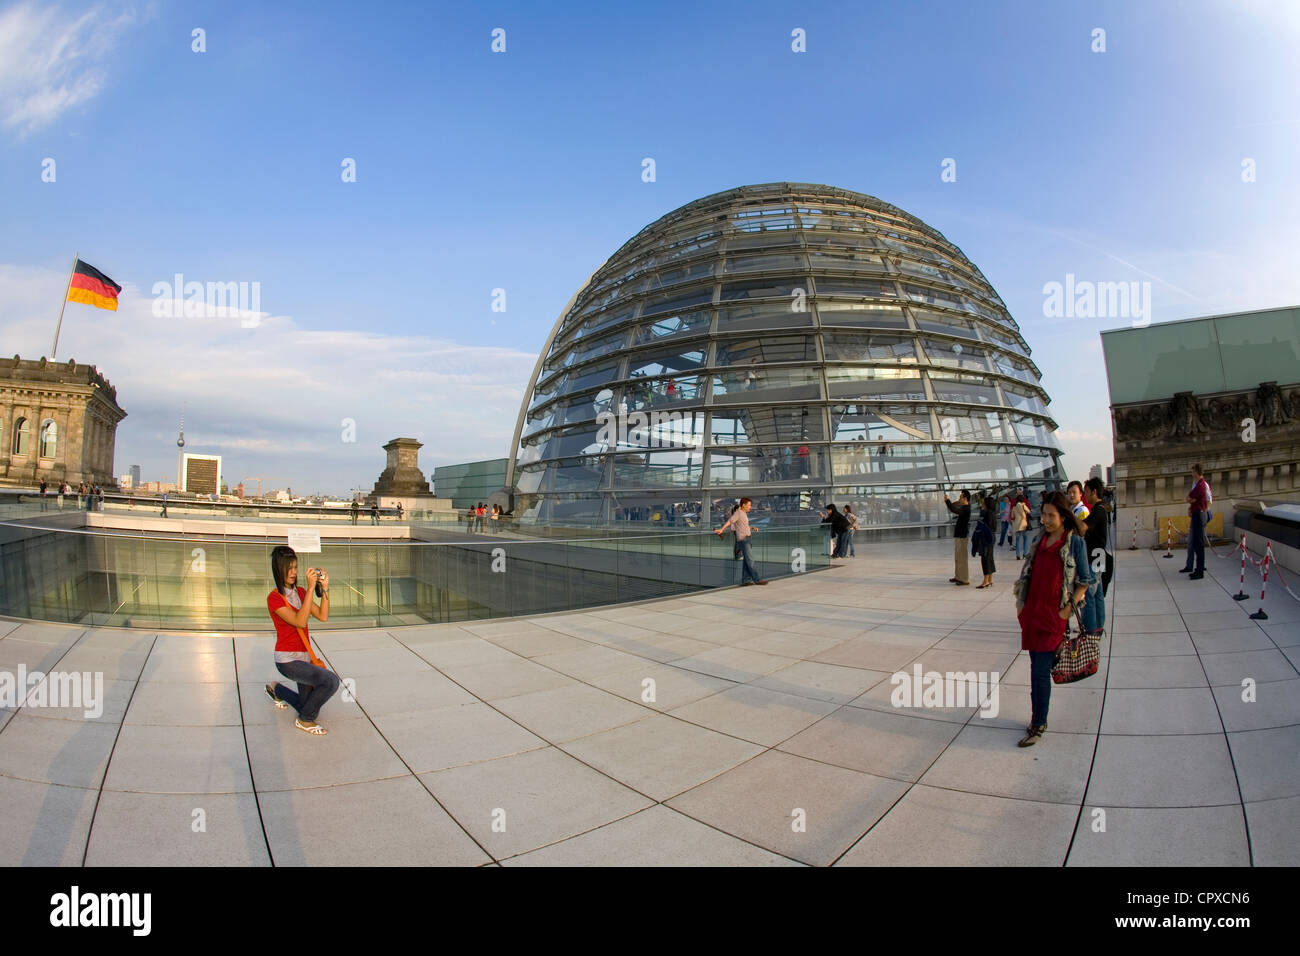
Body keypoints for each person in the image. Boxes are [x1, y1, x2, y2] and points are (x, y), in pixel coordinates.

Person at [1012, 491, 1095, 747]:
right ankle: (1037, 717)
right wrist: (1021, 606)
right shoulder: (1040, 540)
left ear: (1062, 516)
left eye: (1051, 515)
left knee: (1040, 672)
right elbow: (1029, 573)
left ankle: (1039, 723)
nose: (1045, 519)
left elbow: (1085, 580)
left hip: (1053, 615)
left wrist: (1066, 611)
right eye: (1043, 514)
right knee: (1034, 669)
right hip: (1032, 613)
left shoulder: (1074, 542)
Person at [264, 545, 338, 735]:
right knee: (330, 682)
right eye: (288, 568)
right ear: (278, 570)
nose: (293, 572)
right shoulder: (274, 598)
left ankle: (276, 689)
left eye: (295, 567)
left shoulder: (302, 592)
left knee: (307, 703)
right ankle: (305, 721)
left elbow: (322, 615)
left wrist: (325, 588)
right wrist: (312, 587)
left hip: (304, 657)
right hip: (287, 660)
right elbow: (300, 620)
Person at [1080, 477, 1110, 637]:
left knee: (1089, 595)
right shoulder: (1101, 509)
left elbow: (1084, 527)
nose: (1085, 495)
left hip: (1094, 556)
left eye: (1086, 492)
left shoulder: (1098, 510)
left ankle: (1091, 630)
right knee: (1097, 593)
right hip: (1099, 555)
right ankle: (1098, 626)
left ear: (1094, 492)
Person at [715, 497, 768, 585]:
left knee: (746, 561)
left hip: (748, 538)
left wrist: (752, 528)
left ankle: (746, 580)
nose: (750, 507)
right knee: (750, 560)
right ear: (743, 505)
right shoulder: (739, 512)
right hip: (743, 540)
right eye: (749, 505)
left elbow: (743, 525)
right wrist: (722, 529)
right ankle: (757, 579)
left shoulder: (744, 513)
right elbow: (730, 520)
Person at [1180, 463, 1211, 580]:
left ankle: (1199, 570)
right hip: (1196, 514)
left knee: (1199, 544)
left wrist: (1192, 501)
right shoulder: (1197, 484)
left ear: (1197, 472)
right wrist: (1191, 503)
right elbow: (1189, 498)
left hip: (1199, 514)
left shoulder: (1202, 485)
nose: (1192, 474)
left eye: (1193, 472)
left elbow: (1191, 498)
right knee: (1194, 543)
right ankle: (1193, 567)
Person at [944, 489, 972, 585]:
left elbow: (954, 510)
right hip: (959, 535)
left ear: (965, 498)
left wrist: (947, 501)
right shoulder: (963, 506)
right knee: (958, 557)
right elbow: (955, 506)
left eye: (961, 497)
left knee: (962, 558)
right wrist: (953, 502)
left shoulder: (966, 508)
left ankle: (964, 579)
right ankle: (958, 576)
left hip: (962, 536)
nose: (959, 498)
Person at [974, 494, 997, 588]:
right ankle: (990, 579)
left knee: (985, 558)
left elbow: (983, 524)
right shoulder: (993, 512)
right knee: (990, 557)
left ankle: (986, 580)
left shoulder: (986, 513)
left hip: (986, 537)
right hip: (991, 536)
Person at [1011, 493, 1030, 561]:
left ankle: (1018, 555)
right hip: (1024, 524)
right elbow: (1029, 511)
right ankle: (1024, 553)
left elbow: (1012, 517)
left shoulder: (1014, 507)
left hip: (1017, 526)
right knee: (1025, 540)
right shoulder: (1023, 505)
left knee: (1017, 541)